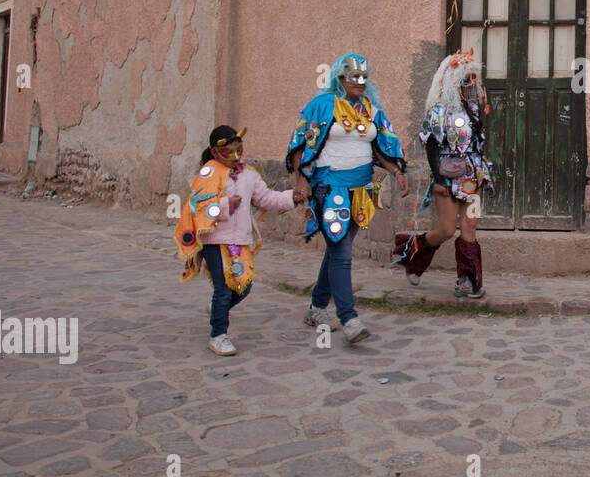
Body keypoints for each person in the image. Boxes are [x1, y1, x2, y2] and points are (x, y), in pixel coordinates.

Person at [287, 53, 409, 343]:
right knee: (341, 253)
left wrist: (396, 171)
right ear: (340, 78)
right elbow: (300, 145)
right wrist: (301, 181)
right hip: (331, 189)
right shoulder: (321, 105)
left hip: (362, 190)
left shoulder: (371, 110)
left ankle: (317, 306)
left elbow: (381, 144)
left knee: (336, 249)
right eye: (354, 77)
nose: (360, 82)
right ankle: (349, 317)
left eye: (364, 77)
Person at [175, 125, 301, 356]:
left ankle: (217, 310)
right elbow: (198, 208)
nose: (234, 157)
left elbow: (266, 198)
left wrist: (292, 197)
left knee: (243, 286)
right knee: (223, 288)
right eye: (227, 152)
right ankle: (218, 335)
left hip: (239, 241)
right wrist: (225, 206)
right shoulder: (208, 173)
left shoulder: (249, 175)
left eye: (238, 150)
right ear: (215, 153)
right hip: (215, 241)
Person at [392, 48, 494, 298]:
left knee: (469, 226)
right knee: (447, 230)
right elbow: (432, 147)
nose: (471, 83)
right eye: (466, 79)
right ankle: (412, 257)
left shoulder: (474, 110)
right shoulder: (438, 112)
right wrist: (438, 180)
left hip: (472, 178)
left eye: (473, 78)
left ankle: (467, 281)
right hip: (446, 176)